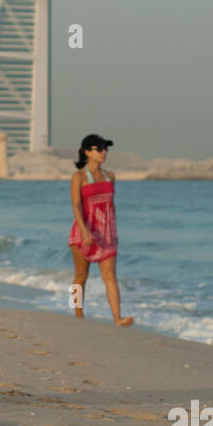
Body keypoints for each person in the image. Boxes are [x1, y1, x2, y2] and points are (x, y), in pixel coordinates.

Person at [68, 133, 133, 326]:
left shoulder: (110, 176)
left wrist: (112, 232)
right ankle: (78, 315)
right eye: (100, 149)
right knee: (80, 276)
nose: (104, 152)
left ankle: (117, 318)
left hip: (107, 234)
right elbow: (76, 205)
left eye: (106, 148)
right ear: (87, 152)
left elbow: (109, 206)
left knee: (110, 276)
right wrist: (84, 230)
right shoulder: (78, 176)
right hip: (83, 232)